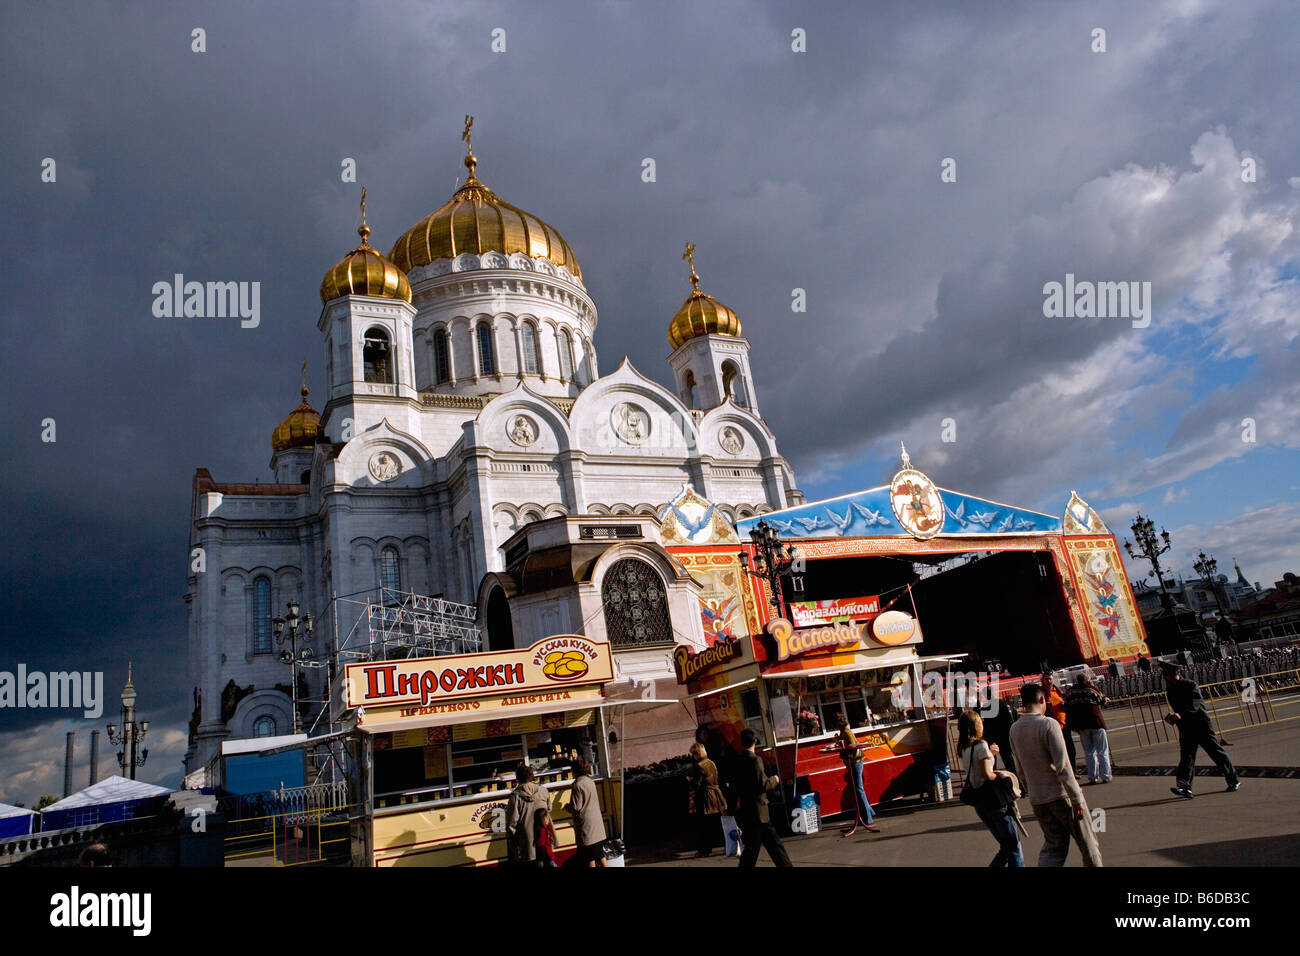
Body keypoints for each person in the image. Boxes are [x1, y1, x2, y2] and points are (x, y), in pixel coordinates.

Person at [1009, 684, 1103, 867]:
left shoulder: (1014, 729)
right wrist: (1077, 798)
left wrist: (1033, 791)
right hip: (1060, 795)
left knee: (1054, 846)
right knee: (1088, 843)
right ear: (1042, 700)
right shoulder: (1048, 724)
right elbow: (1063, 766)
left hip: (1038, 798)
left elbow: (1019, 768)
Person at [1161, 661, 1240, 798]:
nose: (1165, 678)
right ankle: (1184, 787)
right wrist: (1173, 718)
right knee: (1186, 757)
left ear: (1176, 674)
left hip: (1201, 724)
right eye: (1164, 676)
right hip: (1185, 727)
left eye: (1167, 675)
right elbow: (1176, 708)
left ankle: (1233, 780)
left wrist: (1181, 714)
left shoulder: (1191, 685)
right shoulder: (1170, 690)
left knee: (1215, 752)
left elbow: (1195, 705)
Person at [957, 709, 1024, 867]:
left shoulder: (963, 748)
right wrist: (1002, 776)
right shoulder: (981, 745)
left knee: (1006, 845)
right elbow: (987, 773)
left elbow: (976, 768)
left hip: (979, 801)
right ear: (975, 725)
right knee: (1013, 844)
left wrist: (990, 754)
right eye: (979, 721)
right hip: (994, 800)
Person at [733, 729, 793, 867]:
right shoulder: (755, 760)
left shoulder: (738, 760)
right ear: (755, 741)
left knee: (752, 848)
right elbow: (763, 784)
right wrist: (775, 780)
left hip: (747, 808)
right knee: (774, 846)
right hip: (760, 810)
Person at [822, 712, 879, 835]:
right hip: (852, 763)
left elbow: (854, 745)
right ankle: (867, 814)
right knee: (856, 789)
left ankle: (868, 818)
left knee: (858, 789)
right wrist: (838, 741)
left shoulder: (846, 732)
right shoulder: (844, 731)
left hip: (855, 763)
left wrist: (842, 746)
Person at [1065, 674, 1112, 784]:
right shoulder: (1091, 690)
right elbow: (1103, 701)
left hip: (1082, 725)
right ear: (1087, 681)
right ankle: (1106, 775)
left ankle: (1092, 777)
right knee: (1102, 751)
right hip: (1096, 723)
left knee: (1089, 752)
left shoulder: (1071, 692)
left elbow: (1066, 705)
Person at [688, 742, 728, 857]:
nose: (693, 756)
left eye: (693, 754)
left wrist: (690, 781)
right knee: (718, 822)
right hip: (716, 794)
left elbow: (697, 784)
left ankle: (704, 850)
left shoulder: (699, 766)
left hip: (706, 797)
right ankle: (727, 845)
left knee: (704, 824)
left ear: (696, 753)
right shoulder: (711, 763)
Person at [568, 757, 609, 867]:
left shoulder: (577, 784)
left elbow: (576, 807)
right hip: (597, 826)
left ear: (574, 770)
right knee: (600, 856)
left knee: (589, 858)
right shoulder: (590, 781)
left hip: (587, 828)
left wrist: (567, 807)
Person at [505, 766, 550, 866]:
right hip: (544, 839)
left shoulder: (515, 796)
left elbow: (511, 823)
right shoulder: (543, 791)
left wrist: (512, 839)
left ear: (518, 778)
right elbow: (548, 810)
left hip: (527, 843)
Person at [1042, 673, 1078, 772]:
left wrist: (1063, 704)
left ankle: (1073, 771)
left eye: (1050, 679)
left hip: (1064, 725)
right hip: (1052, 727)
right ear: (1043, 680)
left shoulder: (1058, 690)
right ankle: (1060, 772)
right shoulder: (1042, 693)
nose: (1048, 681)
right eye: (1046, 679)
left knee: (1070, 750)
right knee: (1057, 751)